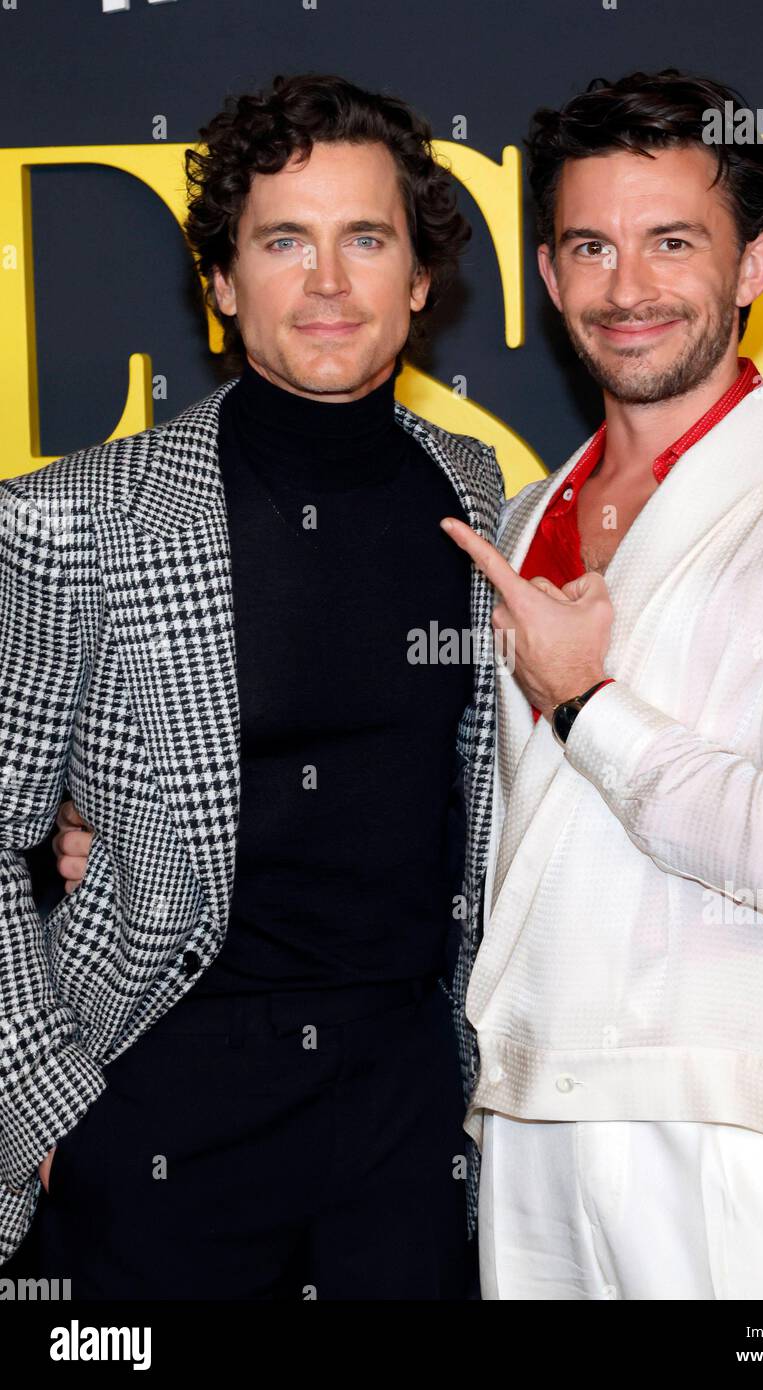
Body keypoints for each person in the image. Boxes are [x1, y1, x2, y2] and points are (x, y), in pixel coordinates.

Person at [0, 72, 502, 1299]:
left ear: (418, 280)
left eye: (365, 239)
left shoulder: (478, 493)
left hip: (406, 1100)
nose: (329, 282)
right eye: (285, 241)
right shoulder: (71, 518)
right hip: (156, 1092)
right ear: (222, 285)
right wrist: (53, 1111)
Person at [438, 69, 763, 1299]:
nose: (628, 288)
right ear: (548, 276)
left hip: (743, 1132)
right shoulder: (525, 513)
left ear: (754, 264)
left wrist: (592, 706)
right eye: (590, 247)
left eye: (672, 242)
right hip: (529, 1115)